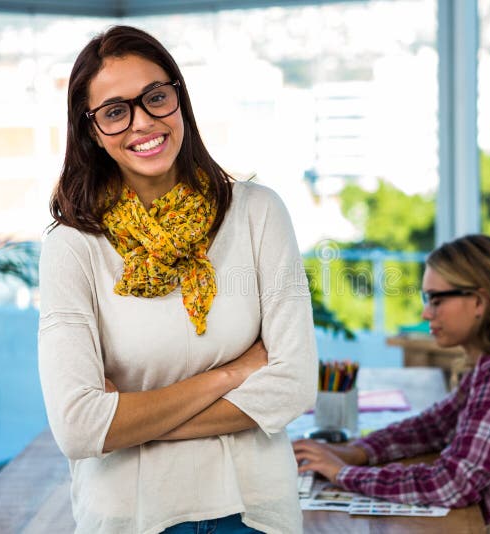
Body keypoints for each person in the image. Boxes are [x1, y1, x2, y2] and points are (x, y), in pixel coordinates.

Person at [38, 25, 317, 534]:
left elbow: (294, 384)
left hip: (253, 510)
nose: (143, 122)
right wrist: (231, 374)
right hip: (131, 516)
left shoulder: (258, 214)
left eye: (156, 97)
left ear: (179, 101)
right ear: (92, 131)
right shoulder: (73, 246)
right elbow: (79, 427)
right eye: (116, 111)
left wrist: (127, 423)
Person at [293, 234, 490, 524]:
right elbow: (432, 426)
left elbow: (452, 483)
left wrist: (344, 473)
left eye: (437, 299)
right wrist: (358, 452)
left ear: (478, 301)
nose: (426, 313)